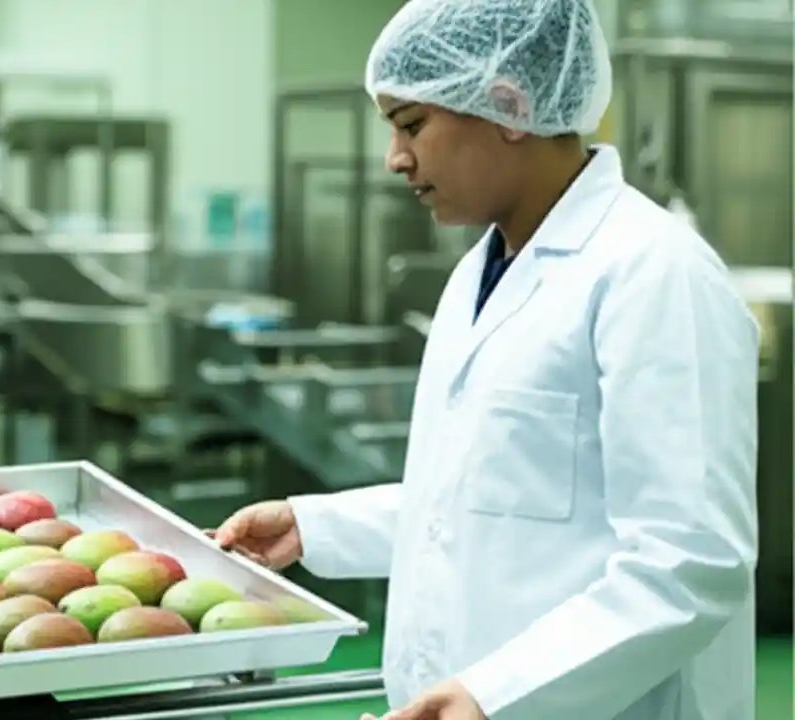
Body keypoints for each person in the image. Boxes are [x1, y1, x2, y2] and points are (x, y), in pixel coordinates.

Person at [212, 1, 761, 719]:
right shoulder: (481, 271)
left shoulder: (654, 274)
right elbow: (489, 496)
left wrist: (493, 692)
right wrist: (313, 527)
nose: (395, 158)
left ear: (509, 106)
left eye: (412, 124)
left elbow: (689, 561)